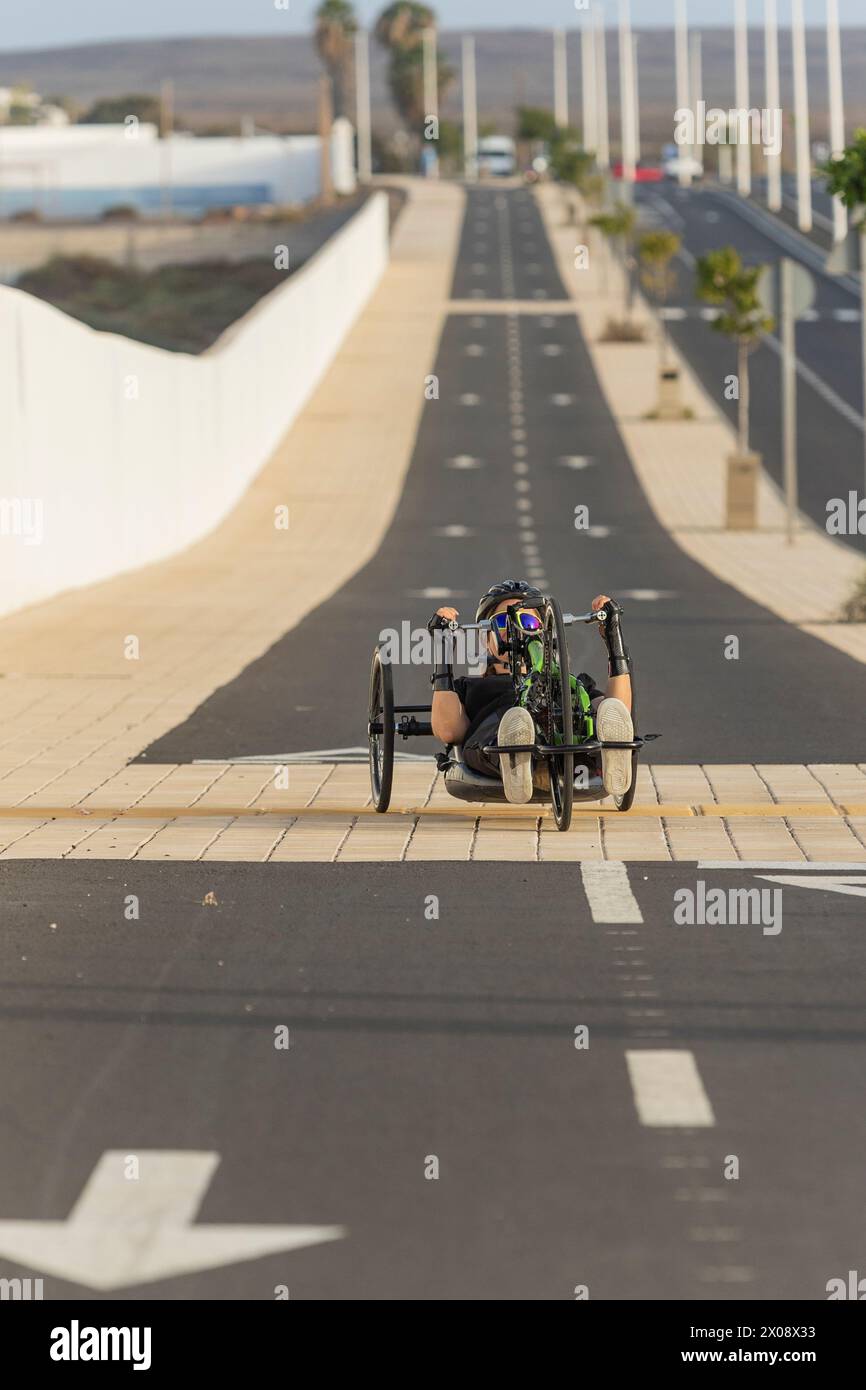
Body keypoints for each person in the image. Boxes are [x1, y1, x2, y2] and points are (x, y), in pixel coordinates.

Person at [428, 579, 634, 806]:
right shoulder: (473, 688)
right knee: (509, 723)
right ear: (486, 637)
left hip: (567, 742)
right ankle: (516, 754)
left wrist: (613, 638)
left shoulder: (570, 684)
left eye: (526, 621)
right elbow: (448, 731)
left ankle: (611, 753)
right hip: (496, 735)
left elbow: (620, 711)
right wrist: (442, 650)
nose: (516, 630)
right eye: (503, 623)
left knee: (601, 708)